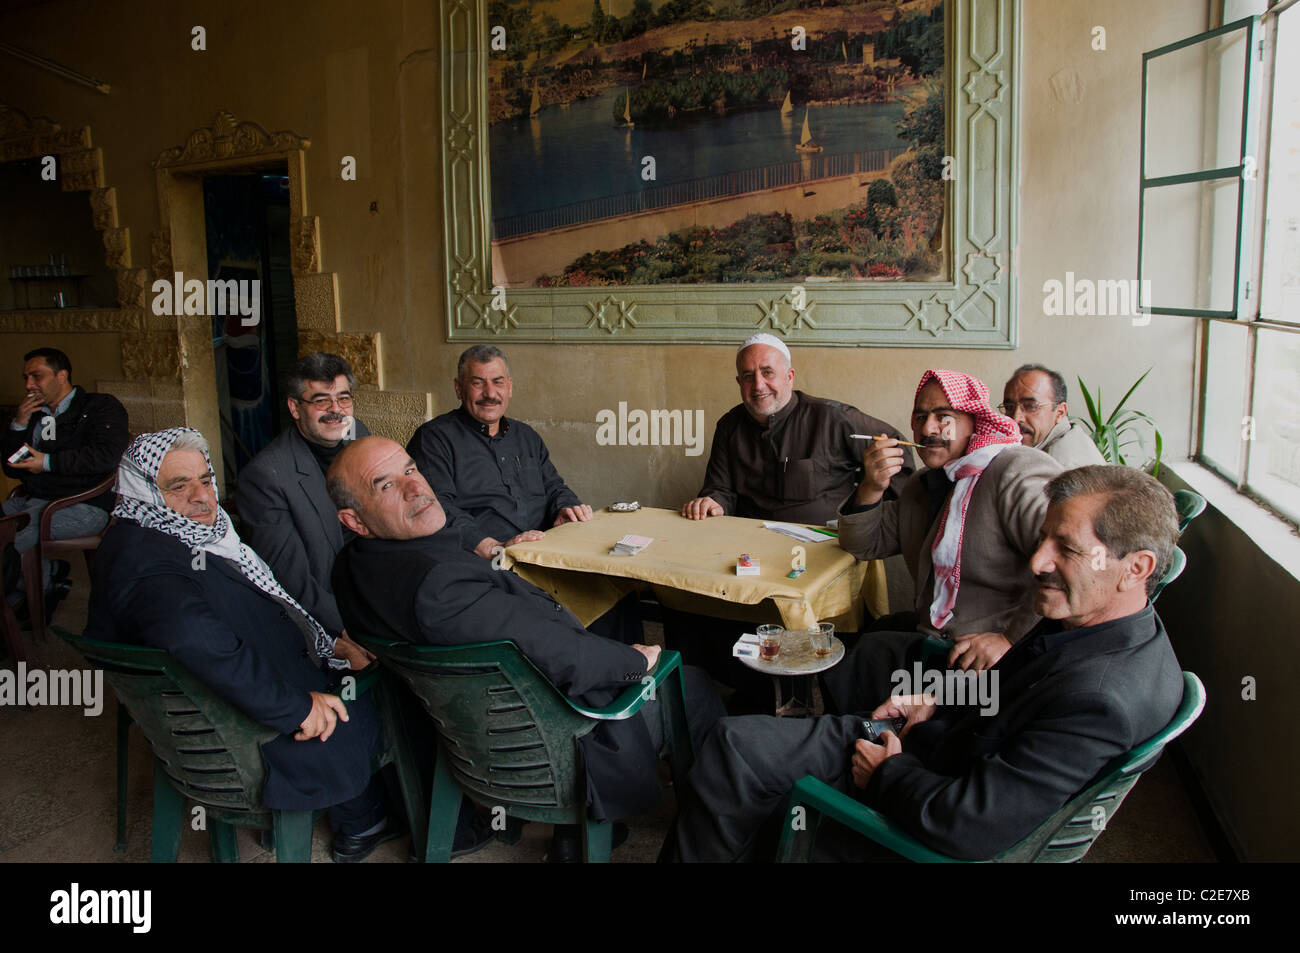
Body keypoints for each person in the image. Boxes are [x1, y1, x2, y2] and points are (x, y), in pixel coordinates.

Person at [665, 465, 1185, 862]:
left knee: (732, 755)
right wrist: (938, 697)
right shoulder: (1108, 623)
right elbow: (1016, 693)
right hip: (931, 740)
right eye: (1043, 538)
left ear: (1135, 568)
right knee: (733, 748)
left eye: (1065, 548)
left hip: (917, 787)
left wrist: (887, 772)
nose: (1037, 561)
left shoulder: (1099, 699)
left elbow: (968, 824)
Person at [327, 437, 725, 861]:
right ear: (355, 519)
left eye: (410, 470)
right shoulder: (439, 588)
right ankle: (715, 832)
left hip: (461, 730)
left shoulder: (350, 570)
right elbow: (559, 658)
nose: (415, 488)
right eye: (384, 485)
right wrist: (634, 662)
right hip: (546, 744)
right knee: (689, 682)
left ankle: (580, 834)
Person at [84, 428, 398, 863]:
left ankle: (363, 809)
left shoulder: (169, 536)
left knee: (354, 667)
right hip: (244, 733)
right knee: (390, 691)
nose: (201, 497)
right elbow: (194, 639)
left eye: (206, 479)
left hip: (228, 694)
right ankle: (366, 820)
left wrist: (327, 645)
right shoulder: (147, 558)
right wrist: (297, 707)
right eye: (179, 486)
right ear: (142, 491)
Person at [822, 369, 1063, 712]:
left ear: (975, 423)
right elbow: (862, 544)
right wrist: (872, 487)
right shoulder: (927, 484)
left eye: (943, 417)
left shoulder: (1015, 472)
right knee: (864, 640)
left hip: (990, 672)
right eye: (921, 417)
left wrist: (1008, 638)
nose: (928, 429)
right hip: (939, 642)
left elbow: (1063, 564)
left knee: (862, 660)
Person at [681, 333, 914, 524]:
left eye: (768, 372)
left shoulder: (832, 418)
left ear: (789, 377)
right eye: (748, 376)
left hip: (824, 551)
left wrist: (867, 514)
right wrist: (712, 502)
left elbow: (895, 447)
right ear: (739, 383)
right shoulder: (729, 425)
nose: (758, 385)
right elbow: (720, 488)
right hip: (749, 549)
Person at [235, 353, 372, 669]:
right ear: (295, 408)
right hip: (328, 608)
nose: (335, 410)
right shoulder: (265, 477)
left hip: (373, 584)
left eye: (343, 398)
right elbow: (292, 579)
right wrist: (348, 629)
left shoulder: (357, 433)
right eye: (321, 401)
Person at [408, 344, 590, 561]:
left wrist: (566, 507)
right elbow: (436, 508)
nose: (490, 394)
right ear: (459, 388)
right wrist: (492, 547)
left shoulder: (527, 436)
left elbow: (554, 487)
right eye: (477, 383)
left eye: (498, 382)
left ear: (510, 387)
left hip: (543, 552)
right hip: (484, 561)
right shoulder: (433, 439)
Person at [2, 347, 129, 615]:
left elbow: (104, 457)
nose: (29, 385)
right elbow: (12, 468)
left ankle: (19, 607)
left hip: (85, 505)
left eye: (37, 376)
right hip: (35, 501)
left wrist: (46, 463)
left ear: (62, 376)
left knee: (9, 544)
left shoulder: (98, 406)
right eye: (25, 377)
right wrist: (19, 424)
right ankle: (47, 578)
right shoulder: (33, 414)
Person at [1001, 363, 1105, 468]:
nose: (1015, 418)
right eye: (1009, 407)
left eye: (1031, 406)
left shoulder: (1058, 468)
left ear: (1060, 413)